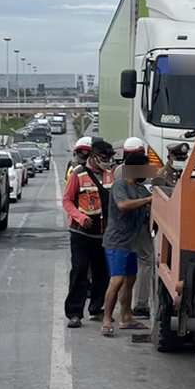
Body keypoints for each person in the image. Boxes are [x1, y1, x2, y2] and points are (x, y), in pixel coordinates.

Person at [62, 138, 115, 327]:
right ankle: (74, 314)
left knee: (102, 274)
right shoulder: (77, 174)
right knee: (79, 272)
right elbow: (67, 200)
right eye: (104, 157)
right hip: (81, 234)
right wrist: (79, 217)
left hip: (104, 234)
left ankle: (96, 309)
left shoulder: (111, 174)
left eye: (110, 157)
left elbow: (141, 174)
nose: (107, 161)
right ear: (92, 156)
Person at [100, 151, 154, 336]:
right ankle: (107, 318)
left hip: (132, 242)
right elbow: (123, 205)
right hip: (116, 242)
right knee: (117, 280)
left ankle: (126, 317)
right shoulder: (119, 186)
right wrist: (148, 200)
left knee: (130, 280)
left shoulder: (141, 190)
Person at [122, 136, 155, 318]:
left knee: (121, 265)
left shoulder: (116, 171)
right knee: (145, 260)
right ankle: (140, 304)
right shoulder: (138, 172)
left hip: (121, 226)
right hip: (138, 222)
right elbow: (160, 178)